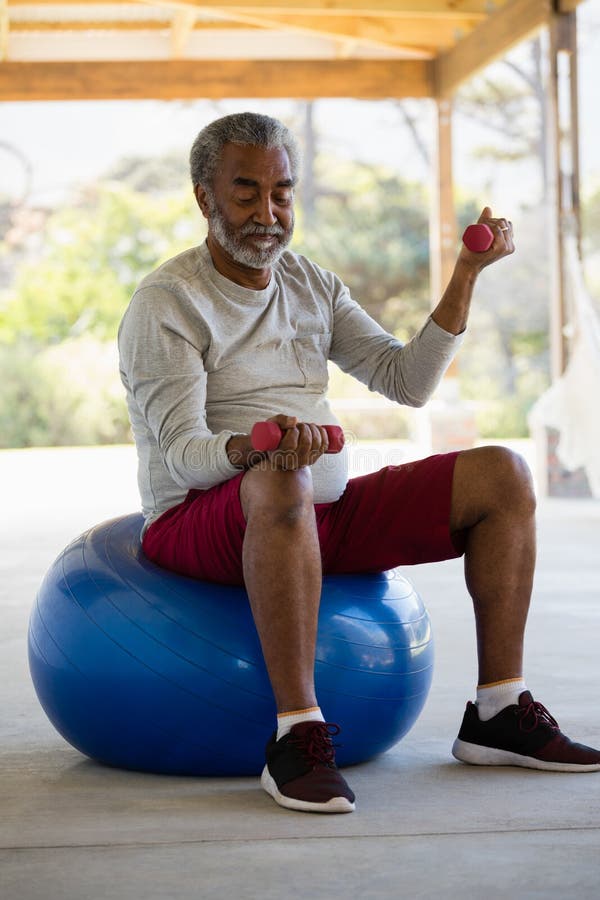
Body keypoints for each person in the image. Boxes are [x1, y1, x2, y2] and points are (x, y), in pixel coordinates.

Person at [118, 112, 600, 815]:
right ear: (205, 199)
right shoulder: (168, 303)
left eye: (282, 192)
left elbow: (407, 380)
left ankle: (498, 711)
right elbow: (186, 458)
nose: (267, 213)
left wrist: (466, 274)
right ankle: (297, 736)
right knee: (282, 476)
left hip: (313, 510)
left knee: (504, 473)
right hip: (199, 522)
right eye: (246, 192)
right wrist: (260, 446)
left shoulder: (312, 284)